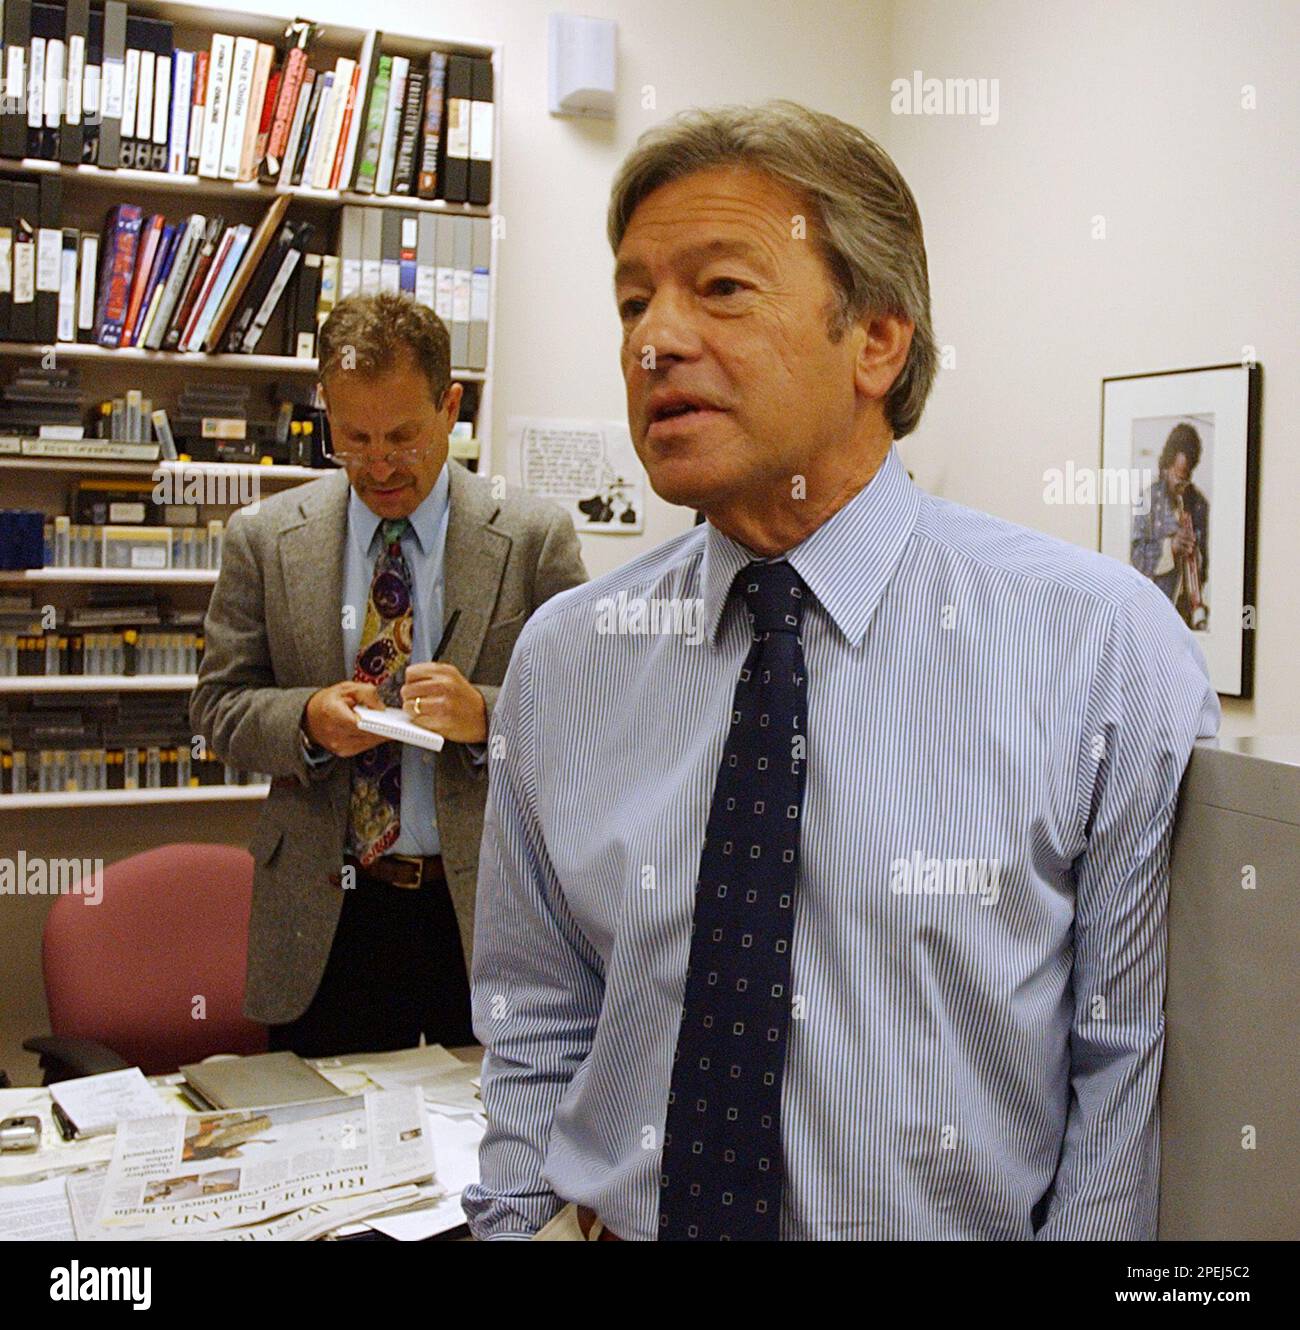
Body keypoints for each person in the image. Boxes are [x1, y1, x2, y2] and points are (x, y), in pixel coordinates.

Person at [464, 101, 1219, 1241]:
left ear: (876, 338)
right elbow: (536, 1014)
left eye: (718, 287)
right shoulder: (565, 661)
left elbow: (1124, 1077)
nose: (651, 340)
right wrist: (513, 1223)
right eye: (632, 300)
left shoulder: (1100, 650)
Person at [191, 292, 587, 1057]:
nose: (378, 466)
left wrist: (487, 717)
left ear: (450, 407)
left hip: (481, 911)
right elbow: (216, 707)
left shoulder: (534, 538)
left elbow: (597, 714)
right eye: (354, 437)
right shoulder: (266, 538)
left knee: (487, 1152)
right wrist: (305, 720)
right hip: (327, 913)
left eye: (403, 437)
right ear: (324, 412)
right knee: (320, 1143)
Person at [1130, 423, 1210, 629]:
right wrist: (1170, 547)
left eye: (1186, 479)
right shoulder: (1146, 498)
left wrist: (1197, 559)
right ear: (1165, 468)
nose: (1182, 488)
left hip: (1187, 613)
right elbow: (1136, 556)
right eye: (1178, 478)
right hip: (1155, 612)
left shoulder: (1199, 504)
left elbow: (1206, 564)